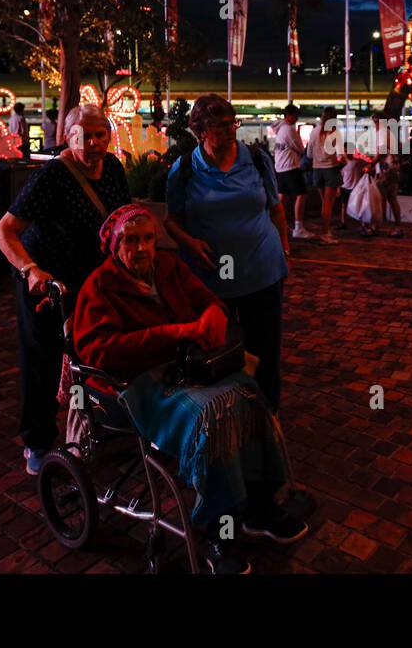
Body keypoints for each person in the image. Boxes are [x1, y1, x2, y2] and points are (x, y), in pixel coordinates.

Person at [74, 205, 307, 574]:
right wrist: (177, 333)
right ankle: (218, 529)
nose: (142, 248)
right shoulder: (99, 286)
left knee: (251, 397)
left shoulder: (168, 267)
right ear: (115, 245)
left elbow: (207, 300)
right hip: (136, 382)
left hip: (186, 367)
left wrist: (214, 312)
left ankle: (259, 506)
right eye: (131, 241)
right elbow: (99, 350)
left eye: (148, 239)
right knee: (214, 415)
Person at [0, 103, 130, 474]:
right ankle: (37, 442)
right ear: (68, 137)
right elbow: (4, 231)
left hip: (93, 281)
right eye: (83, 136)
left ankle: (91, 426)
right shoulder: (52, 175)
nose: (93, 143)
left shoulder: (114, 168)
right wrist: (30, 269)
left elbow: (121, 220)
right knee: (44, 360)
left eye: (100, 134)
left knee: (91, 355)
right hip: (47, 285)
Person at [163, 94, 291, 413]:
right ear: (200, 131)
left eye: (231, 123)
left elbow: (276, 209)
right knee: (214, 347)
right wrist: (189, 242)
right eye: (219, 126)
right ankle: (222, 413)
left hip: (261, 269)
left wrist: (285, 251)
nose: (230, 130)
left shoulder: (257, 159)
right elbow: (171, 221)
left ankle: (265, 413)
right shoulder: (185, 168)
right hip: (213, 274)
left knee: (265, 349)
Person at [270, 104, 314, 241]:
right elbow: (300, 149)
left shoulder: (281, 129)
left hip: (280, 167)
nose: (296, 118)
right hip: (290, 167)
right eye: (295, 115)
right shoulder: (289, 129)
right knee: (302, 195)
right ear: (288, 115)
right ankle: (298, 227)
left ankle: (278, 224)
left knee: (282, 197)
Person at [306, 106, 343, 244]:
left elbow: (309, 153)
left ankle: (326, 231)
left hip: (317, 170)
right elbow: (340, 155)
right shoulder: (335, 133)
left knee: (324, 203)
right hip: (330, 169)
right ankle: (326, 233)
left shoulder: (314, 131)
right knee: (328, 204)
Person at [371, 108, 405, 238]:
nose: (374, 125)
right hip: (393, 169)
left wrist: (371, 164)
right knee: (391, 198)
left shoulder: (382, 132)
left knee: (379, 198)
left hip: (386, 169)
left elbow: (382, 152)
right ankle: (397, 227)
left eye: (374, 122)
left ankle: (377, 226)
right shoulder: (389, 132)